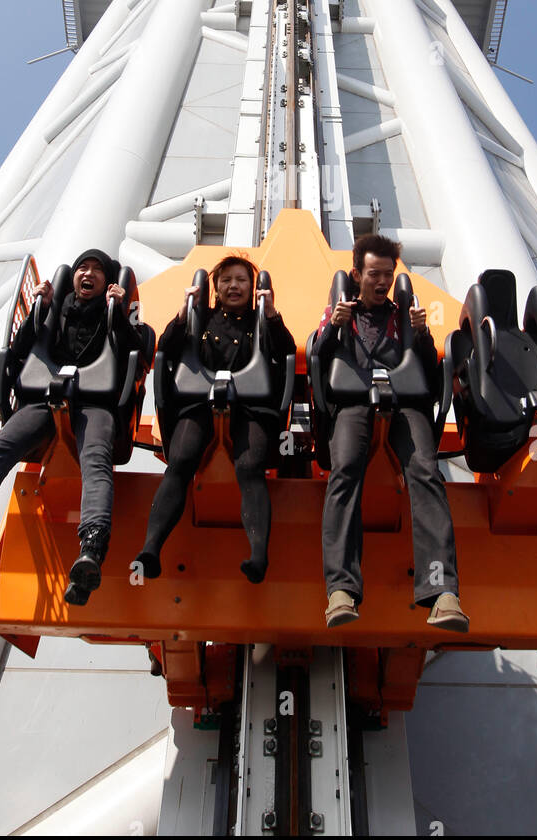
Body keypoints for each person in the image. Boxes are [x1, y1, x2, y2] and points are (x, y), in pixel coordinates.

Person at [0, 249, 153, 605]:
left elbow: (138, 355)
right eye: (82, 268)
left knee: (96, 461)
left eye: (96, 270)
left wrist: (119, 313)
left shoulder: (122, 317)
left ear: (108, 282)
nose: (87, 274)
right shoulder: (53, 314)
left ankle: (92, 546)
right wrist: (38, 310)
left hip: (96, 405)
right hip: (41, 400)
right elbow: (18, 353)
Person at [310, 233, 469, 632]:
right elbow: (317, 363)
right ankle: (340, 589)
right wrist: (333, 329)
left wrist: (424, 337)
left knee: (426, 473)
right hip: (352, 403)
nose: (381, 282)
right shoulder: (338, 315)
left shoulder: (405, 318)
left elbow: (432, 381)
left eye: (388, 274)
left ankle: (442, 592)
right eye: (373, 274)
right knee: (345, 469)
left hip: (405, 403)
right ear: (357, 274)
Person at [135, 256, 295, 584]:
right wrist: (182, 316)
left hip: (252, 408)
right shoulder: (201, 320)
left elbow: (286, 351)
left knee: (250, 467)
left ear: (253, 288)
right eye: (226, 281)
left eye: (241, 280)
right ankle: (151, 548)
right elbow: (166, 349)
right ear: (216, 287)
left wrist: (272, 316)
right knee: (180, 461)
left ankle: (258, 555)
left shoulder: (260, 321)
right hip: (198, 404)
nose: (233, 286)